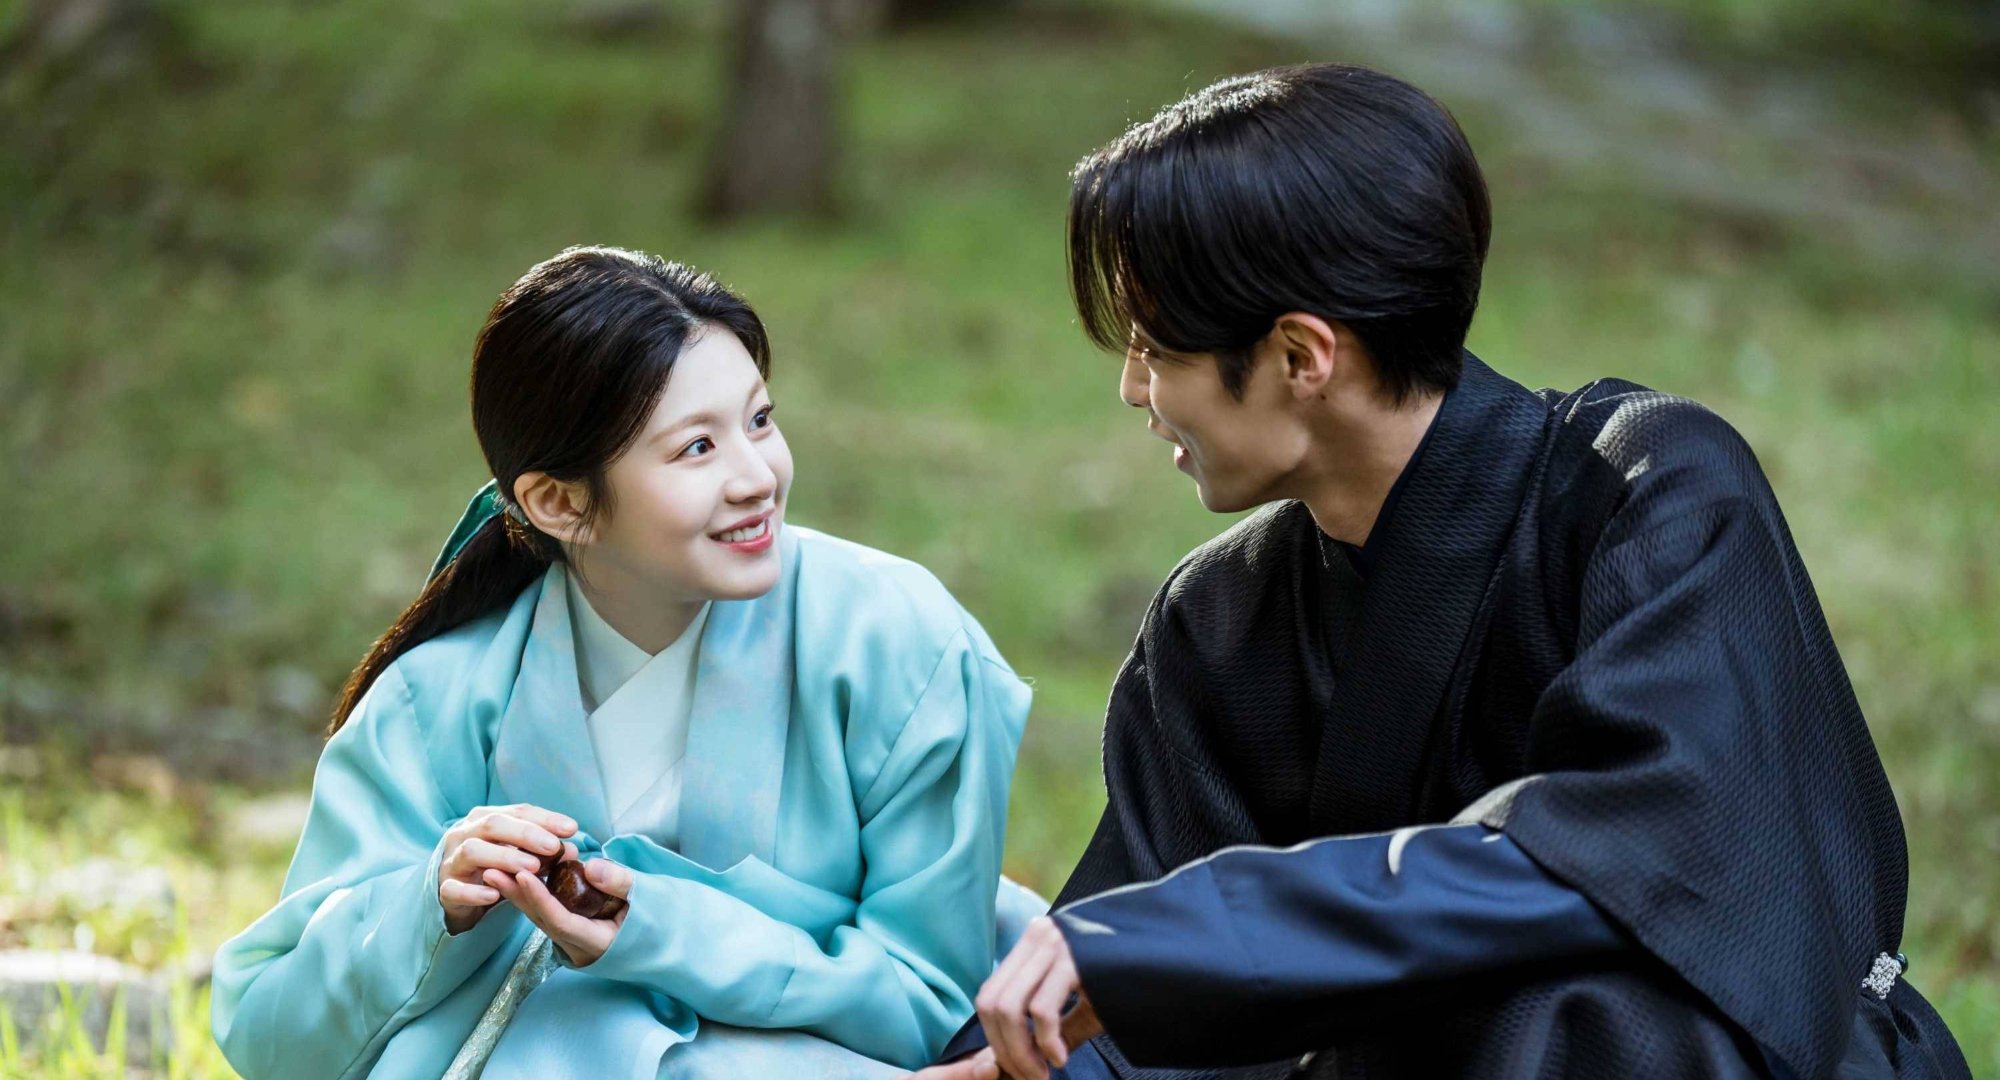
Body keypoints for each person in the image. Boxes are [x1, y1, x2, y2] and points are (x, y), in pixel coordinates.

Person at [917, 64, 1970, 1080]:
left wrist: (1196, 930)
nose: (1132, 389)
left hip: (1717, 1058)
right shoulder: (1217, 620)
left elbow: (1626, 863)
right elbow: (1115, 996)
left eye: (1156, 348)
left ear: (1300, 357)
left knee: (1584, 1011)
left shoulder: (1652, 495)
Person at [209, 246, 1036, 1078]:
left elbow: (929, 1003)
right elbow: (273, 1038)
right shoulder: (437, 704)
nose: (758, 477)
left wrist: (664, 933)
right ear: (559, 502)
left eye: (759, 421)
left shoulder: (897, 642)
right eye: (697, 448)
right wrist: (433, 909)